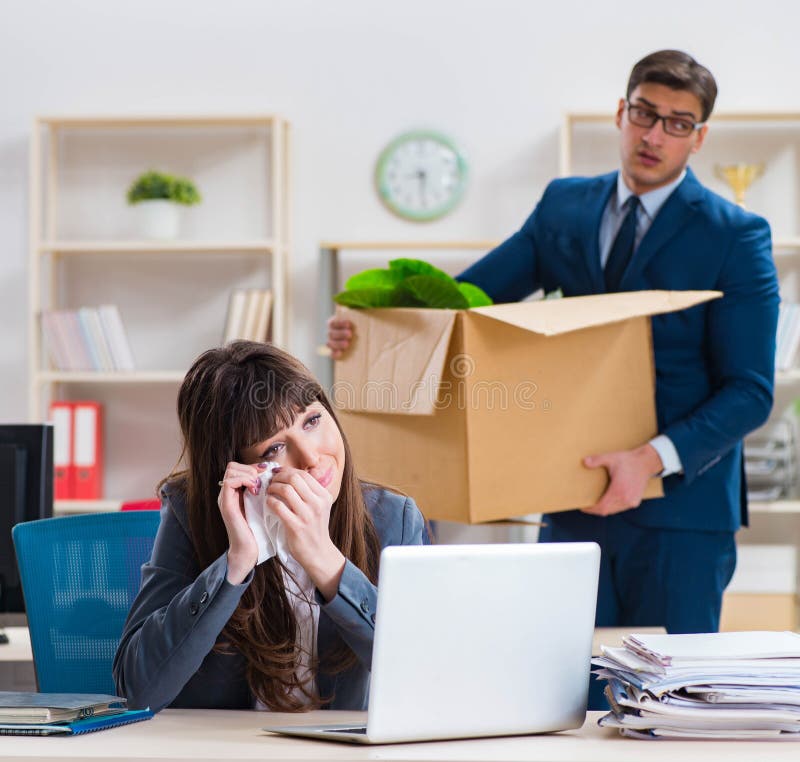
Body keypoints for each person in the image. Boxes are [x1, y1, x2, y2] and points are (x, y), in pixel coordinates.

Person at [328, 50, 779, 637]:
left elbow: (750, 391)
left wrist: (648, 462)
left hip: (681, 512)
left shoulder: (736, 235)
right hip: (571, 490)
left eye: (677, 123)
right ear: (621, 112)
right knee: (563, 690)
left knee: (669, 701)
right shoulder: (565, 205)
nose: (654, 134)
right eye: (645, 113)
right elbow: (469, 298)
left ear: (699, 138)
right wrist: (376, 323)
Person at [113, 340, 427, 713]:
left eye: (312, 420)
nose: (311, 457)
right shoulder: (190, 513)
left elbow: (426, 676)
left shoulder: (393, 519)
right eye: (274, 449)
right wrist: (236, 564)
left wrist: (328, 565)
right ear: (239, 468)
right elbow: (137, 691)